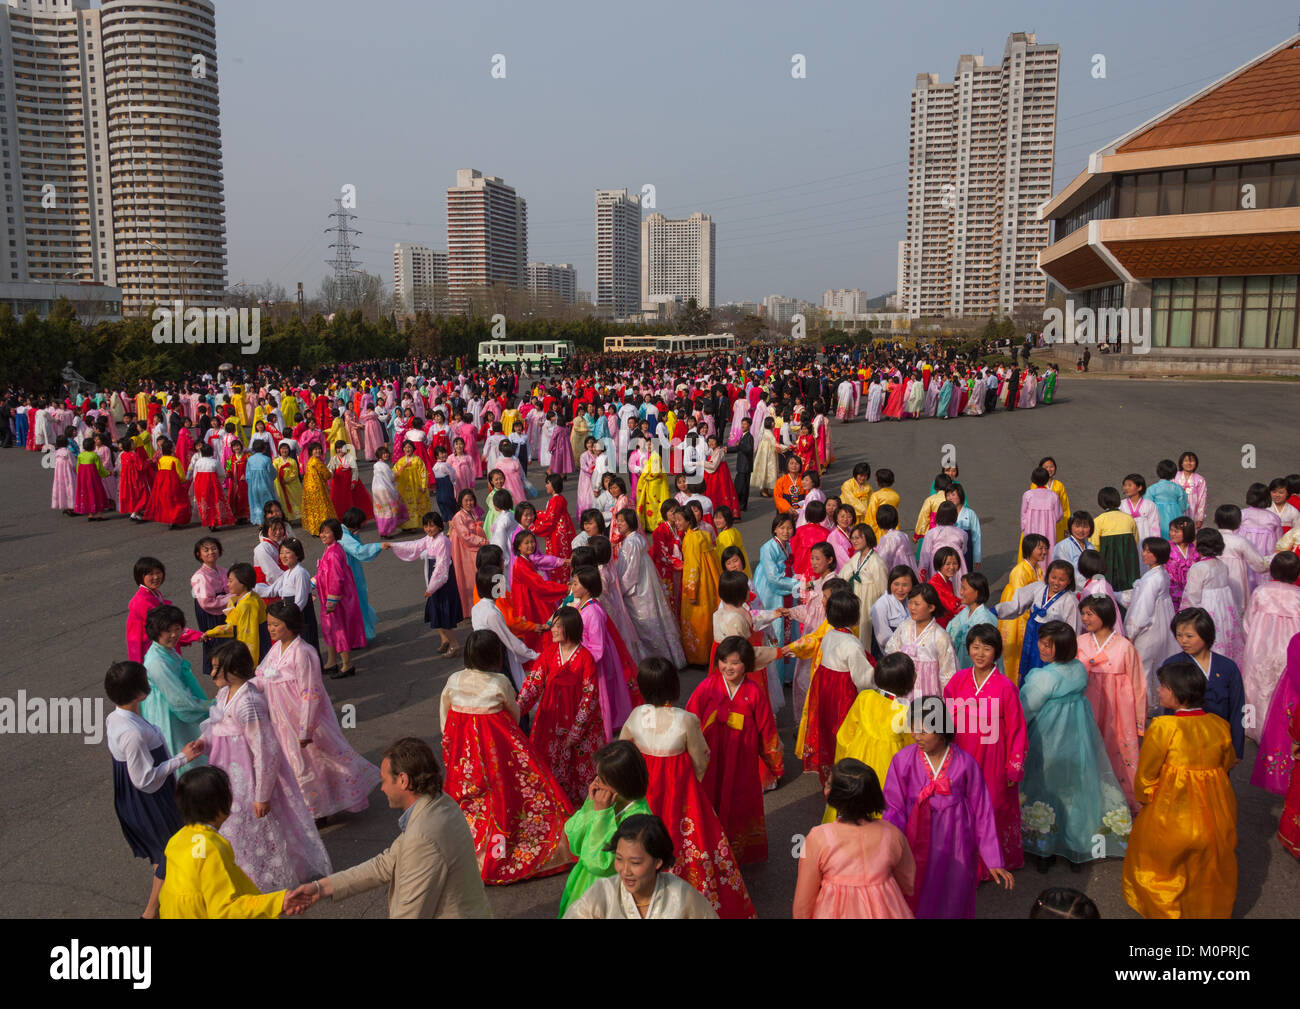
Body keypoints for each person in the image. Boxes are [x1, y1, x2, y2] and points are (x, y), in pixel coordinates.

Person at [288, 737, 492, 918]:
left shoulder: (423, 836)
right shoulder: (440, 803)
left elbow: (409, 913)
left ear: (403, 780)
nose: (382, 787)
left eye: (385, 780)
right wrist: (319, 888)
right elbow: (386, 863)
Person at [620, 657, 756, 918]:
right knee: (693, 849)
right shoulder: (686, 720)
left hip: (644, 798)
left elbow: (623, 751)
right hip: (682, 797)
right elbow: (701, 760)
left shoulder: (636, 716)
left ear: (643, 687)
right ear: (674, 685)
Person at [439, 630, 573, 884]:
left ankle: (466, 850)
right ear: (495, 656)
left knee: (469, 798)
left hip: (465, 752)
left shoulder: (454, 680)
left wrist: (453, 747)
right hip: (496, 751)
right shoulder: (499, 682)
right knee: (509, 796)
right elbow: (513, 713)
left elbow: (445, 718)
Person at [199, 640, 331, 892]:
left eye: (218, 668)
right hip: (227, 773)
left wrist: (262, 794)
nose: (212, 674)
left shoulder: (249, 703)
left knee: (254, 829)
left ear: (235, 670)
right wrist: (203, 742)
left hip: (248, 778)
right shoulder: (225, 693)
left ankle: (262, 878)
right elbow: (218, 726)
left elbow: (265, 751)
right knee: (235, 828)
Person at [1122, 659, 1238, 918]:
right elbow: (1227, 762)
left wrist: (1145, 797)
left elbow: (1147, 772)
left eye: (1163, 686)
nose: (1159, 690)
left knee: (1164, 863)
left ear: (1176, 693)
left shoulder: (1165, 727)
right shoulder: (1219, 725)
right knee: (1207, 862)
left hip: (1172, 806)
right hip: (1215, 805)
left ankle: (1171, 911)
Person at [883, 696, 1013, 918]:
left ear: (941, 730)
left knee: (954, 891)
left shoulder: (965, 763)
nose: (916, 736)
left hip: (957, 842)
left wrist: (992, 858)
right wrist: (890, 849)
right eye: (913, 729)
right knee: (916, 890)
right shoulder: (902, 760)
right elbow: (893, 807)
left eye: (924, 731)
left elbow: (982, 810)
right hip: (915, 839)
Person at [255, 600, 381, 821]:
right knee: (296, 764)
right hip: (280, 720)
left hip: (300, 721)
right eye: (269, 624)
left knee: (310, 765)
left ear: (290, 624)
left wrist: (306, 729)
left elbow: (311, 693)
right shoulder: (276, 649)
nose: (271, 629)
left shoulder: (303, 653)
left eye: (276, 624)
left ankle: (317, 811)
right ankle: (311, 807)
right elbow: (262, 677)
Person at [1019, 621, 1130, 870]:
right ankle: (1077, 844)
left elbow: (1025, 709)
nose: (1043, 648)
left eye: (1049, 645)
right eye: (1043, 642)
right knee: (1075, 789)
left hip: (1049, 737)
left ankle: (1044, 847)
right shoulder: (1079, 669)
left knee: (1044, 787)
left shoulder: (1043, 677)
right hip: (1079, 734)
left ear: (1063, 647)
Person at [105, 660, 204, 918]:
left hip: (138, 795)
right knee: (170, 849)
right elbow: (144, 778)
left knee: (164, 850)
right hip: (150, 796)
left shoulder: (115, 718)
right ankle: (151, 911)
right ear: (139, 693)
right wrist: (183, 758)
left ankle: (170, 894)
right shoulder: (132, 733)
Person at [685, 636, 784, 864]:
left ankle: (735, 853)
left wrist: (774, 763)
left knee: (739, 804)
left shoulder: (754, 692)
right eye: (724, 661)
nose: (728, 667)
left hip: (742, 759)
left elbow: (767, 730)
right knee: (709, 800)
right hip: (711, 759)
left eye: (735, 662)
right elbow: (690, 720)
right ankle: (709, 849)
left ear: (746, 665)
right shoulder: (707, 687)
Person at [160, 766, 307, 918]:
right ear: (221, 801)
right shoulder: (211, 848)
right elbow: (224, 909)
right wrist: (278, 901)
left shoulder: (178, 838)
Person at [942, 624, 1026, 874]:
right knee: (962, 808)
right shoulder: (958, 680)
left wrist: (1014, 767)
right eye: (975, 647)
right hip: (961, 755)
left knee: (993, 807)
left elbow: (1017, 729)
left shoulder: (1005, 687)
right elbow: (945, 719)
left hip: (993, 757)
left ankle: (993, 862)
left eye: (986, 648)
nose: (979, 653)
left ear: (996, 653)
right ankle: (966, 861)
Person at [793, 758, 915, 919]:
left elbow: (804, 899)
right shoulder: (892, 834)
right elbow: (908, 881)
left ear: (834, 796)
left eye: (829, 784)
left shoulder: (818, 837)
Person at [556, 739, 653, 917]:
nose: (596, 783)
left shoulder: (638, 818)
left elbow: (600, 864)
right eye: (597, 776)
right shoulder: (607, 801)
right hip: (585, 884)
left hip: (612, 896)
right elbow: (574, 839)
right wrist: (589, 808)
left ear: (623, 784)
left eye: (603, 780)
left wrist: (601, 815)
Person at [518, 606, 602, 806]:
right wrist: (517, 708)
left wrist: (576, 731)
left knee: (578, 766)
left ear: (570, 628)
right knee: (549, 763)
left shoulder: (585, 658)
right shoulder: (549, 654)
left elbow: (589, 698)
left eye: (557, 626)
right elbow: (533, 684)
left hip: (576, 721)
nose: (552, 629)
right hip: (551, 718)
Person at [563, 814, 718, 919]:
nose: (625, 871)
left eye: (635, 863)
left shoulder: (682, 896)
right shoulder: (602, 894)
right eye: (619, 859)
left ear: (657, 862)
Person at [1078, 595, 1146, 811]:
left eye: (1090, 614)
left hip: (1118, 710)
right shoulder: (1079, 642)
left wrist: (1139, 721)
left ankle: (1119, 801)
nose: (1084, 618)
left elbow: (1138, 685)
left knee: (1116, 750)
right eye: (1084, 613)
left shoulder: (1125, 647)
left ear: (1105, 616)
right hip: (1088, 703)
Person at [831, 651, 916, 812]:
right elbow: (910, 752)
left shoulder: (865, 697)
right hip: (886, 775)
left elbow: (844, 737)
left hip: (855, 767)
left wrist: (840, 768)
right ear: (910, 681)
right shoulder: (905, 713)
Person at [141, 605, 212, 773]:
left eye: (177, 629)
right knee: (185, 762)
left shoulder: (164, 650)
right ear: (156, 631)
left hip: (174, 707)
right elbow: (180, 701)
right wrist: (211, 705)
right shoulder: (157, 662)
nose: (174, 635)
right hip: (170, 715)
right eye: (168, 631)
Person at [1240, 552, 1300, 743]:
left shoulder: (1261, 591)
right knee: (1284, 690)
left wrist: (1249, 643)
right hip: (1289, 648)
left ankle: (1251, 726)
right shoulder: (1298, 596)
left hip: (1260, 646)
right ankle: (1284, 730)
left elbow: (1247, 623)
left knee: (1255, 686)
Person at [1118, 538, 1180, 707]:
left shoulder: (1153, 579)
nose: (1144, 554)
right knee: (1154, 663)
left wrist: (1131, 632)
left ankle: (1142, 706)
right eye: (1144, 550)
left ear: (1157, 555)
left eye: (1148, 551)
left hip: (1150, 627)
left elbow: (1142, 608)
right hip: (1161, 622)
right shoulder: (1160, 573)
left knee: (1142, 666)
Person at [314, 518, 367, 677]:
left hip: (336, 600)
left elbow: (336, 578)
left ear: (335, 533)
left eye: (327, 532)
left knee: (338, 630)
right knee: (330, 630)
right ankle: (331, 661)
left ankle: (347, 664)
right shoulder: (330, 549)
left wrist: (332, 601)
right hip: (328, 598)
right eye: (322, 531)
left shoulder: (334, 553)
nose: (323, 535)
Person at [202, 562, 269, 665]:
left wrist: (248, 665)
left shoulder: (247, 605)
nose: (228, 584)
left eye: (230, 581)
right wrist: (212, 633)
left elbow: (249, 637)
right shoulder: (248, 597)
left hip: (254, 653)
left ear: (243, 582)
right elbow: (235, 628)